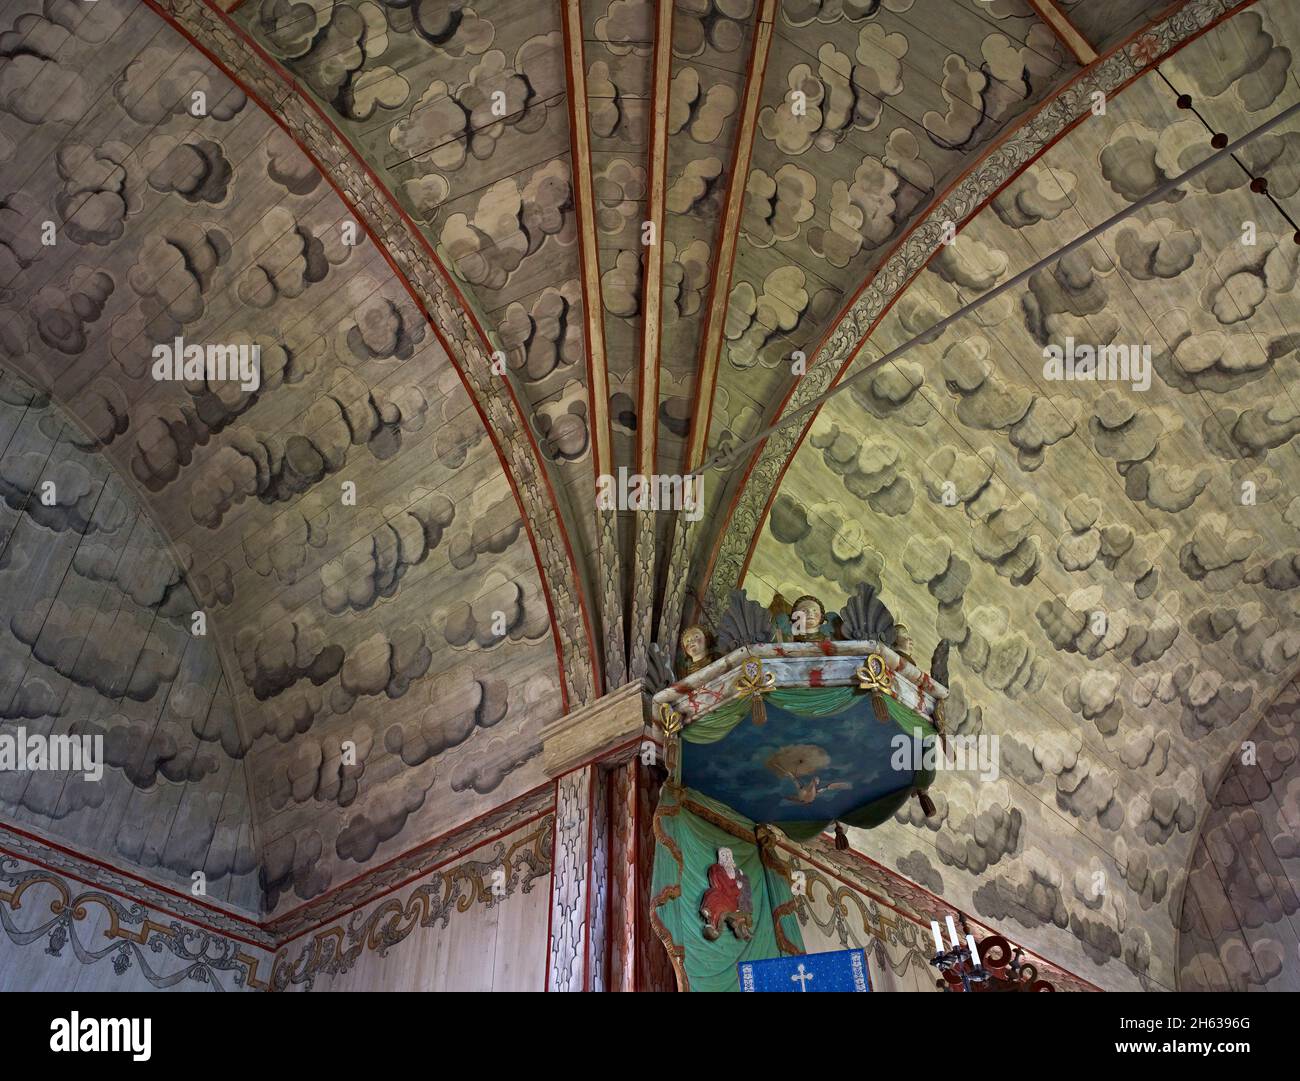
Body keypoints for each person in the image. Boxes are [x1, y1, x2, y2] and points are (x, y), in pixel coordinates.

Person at [700, 847, 753, 941]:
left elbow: (744, 890)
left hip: (733, 902)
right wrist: (736, 887)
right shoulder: (717, 869)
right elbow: (722, 885)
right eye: (724, 855)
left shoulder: (737, 873)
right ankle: (711, 922)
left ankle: (742, 926)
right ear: (720, 858)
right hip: (723, 895)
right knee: (713, 896)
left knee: (727, 908)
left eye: (729, 855)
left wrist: (741, 882)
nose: (727, 858)